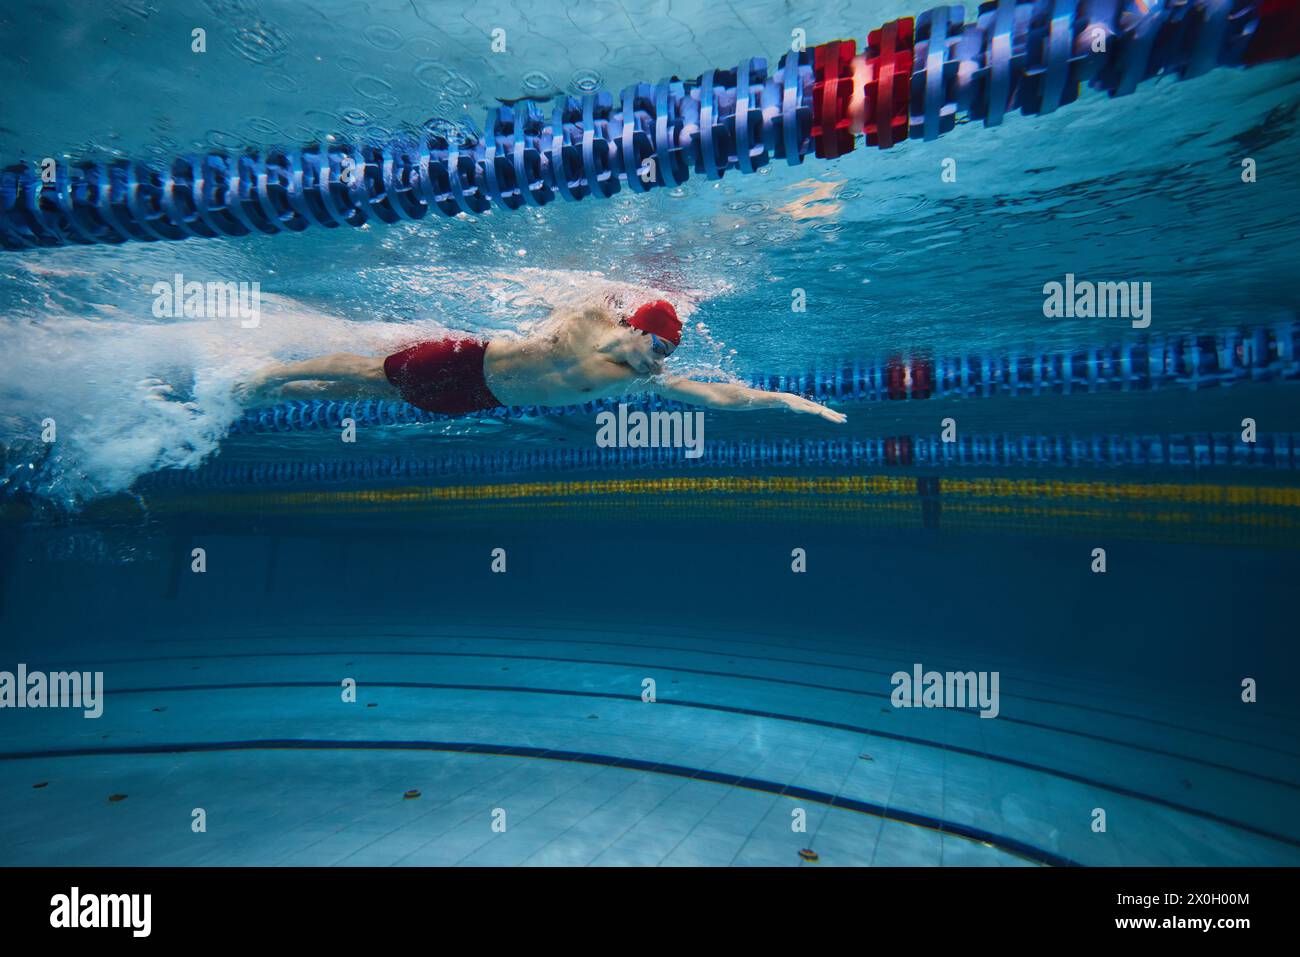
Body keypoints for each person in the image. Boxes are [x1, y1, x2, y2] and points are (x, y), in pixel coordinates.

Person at [236, 300, 846, 423]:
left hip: (482, 399)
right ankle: (272, 371)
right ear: (638, 329)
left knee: (378, 396)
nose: (659, 361)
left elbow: (719, 397)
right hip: (467, 360)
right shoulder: (589, 316)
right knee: (371, 371)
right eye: (658, 346)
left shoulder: (644, 377)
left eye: (667, 355)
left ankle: (275, 391)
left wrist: (791, 400)